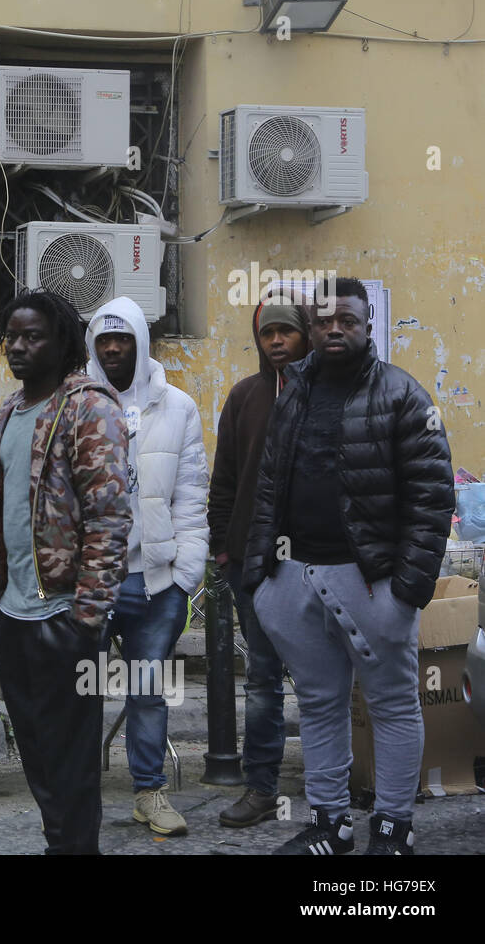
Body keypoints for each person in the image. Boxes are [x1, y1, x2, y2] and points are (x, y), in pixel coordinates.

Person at [244, 277, 454, 855]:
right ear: (312, 329)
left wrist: (407, 589)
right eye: (324, 321)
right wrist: (261, 578)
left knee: (391, 703)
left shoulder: (404, 395)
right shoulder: (294, 393)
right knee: (318, 704)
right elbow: (268, 486)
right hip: (294, 577)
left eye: (349, 321)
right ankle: (330, 825)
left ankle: (392, 828)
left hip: (373, 581)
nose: (335, 329)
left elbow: (432, 496)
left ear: (368, 327)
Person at [0, 289, 132, 854]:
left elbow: (110, 516)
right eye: (11, 336)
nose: (17, 347)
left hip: (65, 616)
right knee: (37, 751)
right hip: (14, 614)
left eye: (32, 336)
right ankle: (58, 843)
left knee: (70, 757)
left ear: (62, 341)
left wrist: (87, 616)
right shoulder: (9, 411)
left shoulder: (90, 407)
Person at [85, 296, 209, 837]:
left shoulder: (177, 406)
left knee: (148, 690)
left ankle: (149, 794)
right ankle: (78, 796)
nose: (113, 348)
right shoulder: (79, 405)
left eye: (123, 339)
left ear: (140, 341)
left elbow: (191, 494)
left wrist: (186, 574)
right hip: (93, 581)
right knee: (81, 690)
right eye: (103, 340)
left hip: (156, 581)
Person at [208, 289, 311, 828]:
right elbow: (224, 482)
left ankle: (328, 791)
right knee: (263, 683)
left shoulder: (328, 393)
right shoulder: (245, 397)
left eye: (286, 330)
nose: (276, 340)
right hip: (255, 567)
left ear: (305, 334)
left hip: (322, 566)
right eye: (268, 332)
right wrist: (225, 550)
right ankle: (262, 788)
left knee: (324, 684)